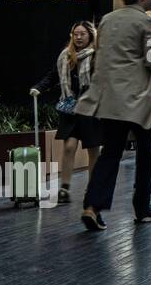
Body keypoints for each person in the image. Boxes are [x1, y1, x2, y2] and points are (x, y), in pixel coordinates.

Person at [74, 0, 151, 230]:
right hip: (140, 99)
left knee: (110, 153)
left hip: (110, 99)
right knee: (145, 154)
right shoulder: (147, 22)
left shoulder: (107, 19)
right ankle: (143, 208)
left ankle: (92, 206)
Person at [30, 21, 102, 204]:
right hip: (70, 109)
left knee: (94, 149)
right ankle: (65, 188)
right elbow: (53, 76)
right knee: (69, 146)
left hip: (91, 109)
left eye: (82, 34)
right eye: (75, 34)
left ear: (91, 36)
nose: (78, 37)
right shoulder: (66, 56)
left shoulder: (98, 56)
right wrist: (39, 88)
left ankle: (93, 187)